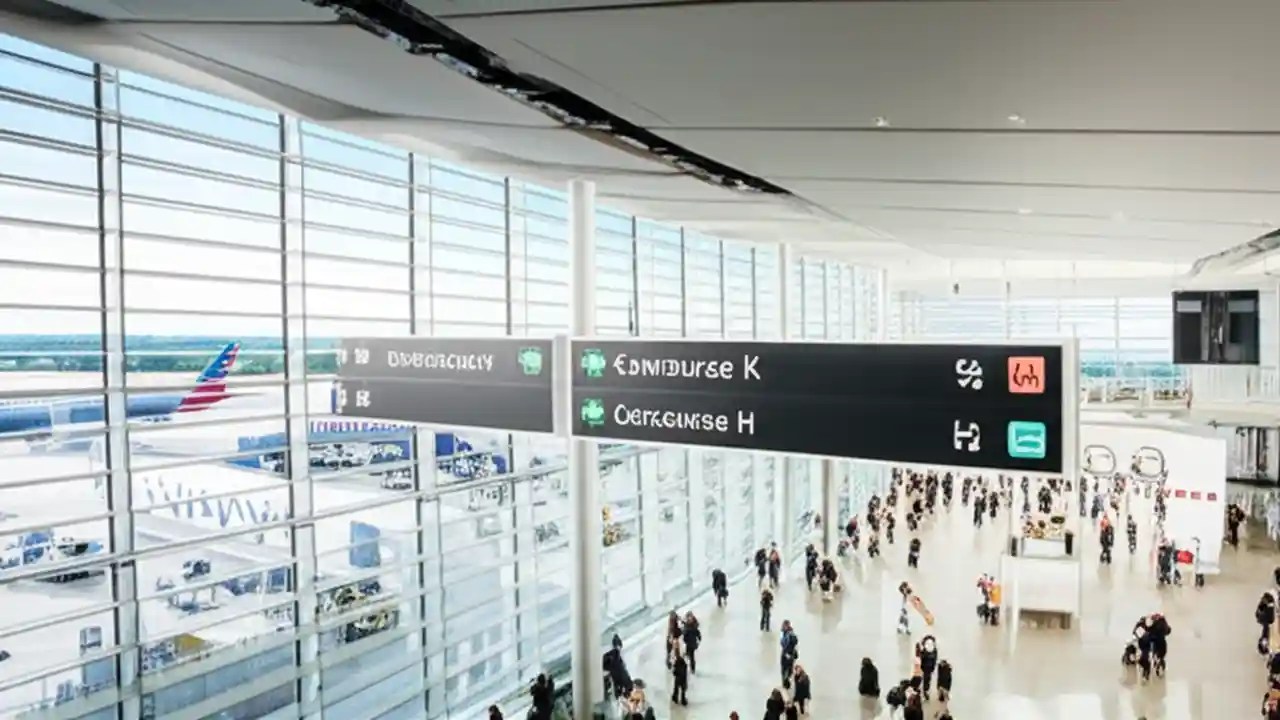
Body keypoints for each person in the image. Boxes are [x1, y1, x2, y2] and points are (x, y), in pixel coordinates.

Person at [780, 620, 799, 687]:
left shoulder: (790, 634)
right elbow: (782, 643)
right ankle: (785, 681)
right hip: (786, 653)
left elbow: (794, 642)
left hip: (788, 653)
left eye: (784, 625)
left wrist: (788, 652)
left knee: (788, 669)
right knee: (784, 669)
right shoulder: (783, 633)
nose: (783, 627)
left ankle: (786, 681)